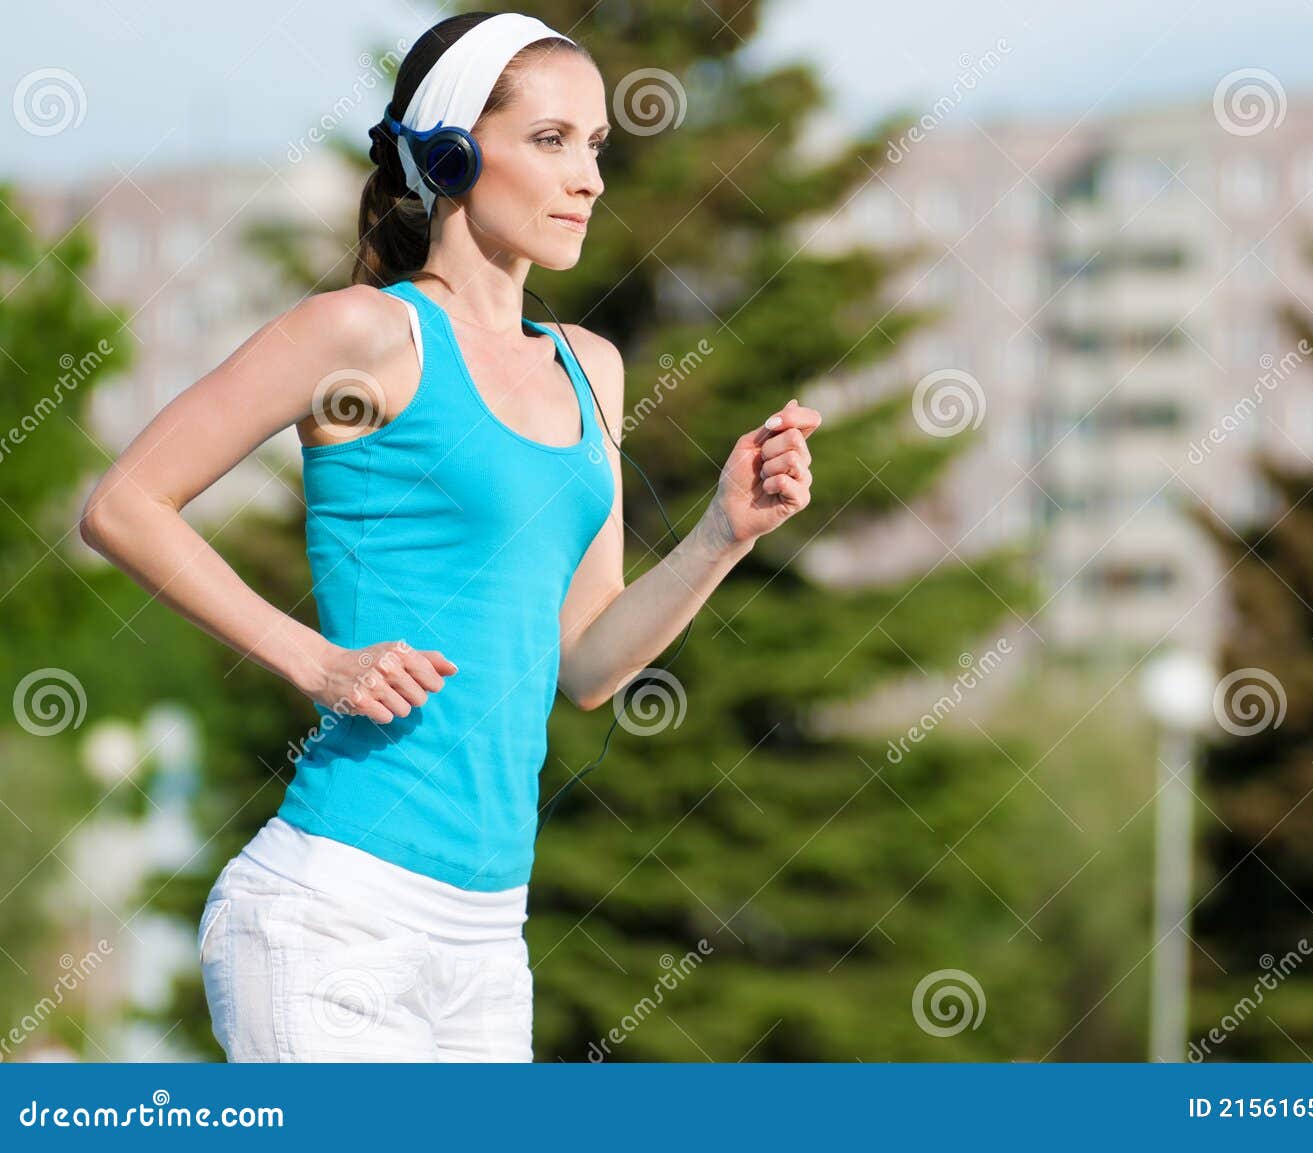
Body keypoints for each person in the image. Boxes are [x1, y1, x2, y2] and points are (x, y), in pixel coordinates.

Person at [77, 11, 820, 1061]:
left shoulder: (589, 368)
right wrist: (316, 659)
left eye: (597, 147)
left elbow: (588, 662)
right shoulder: (363, 335)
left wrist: (722, 533)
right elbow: (125, 504)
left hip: (484, 944)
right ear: (450, 153)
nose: (590, 179)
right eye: (552, 141)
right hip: (333, 918)